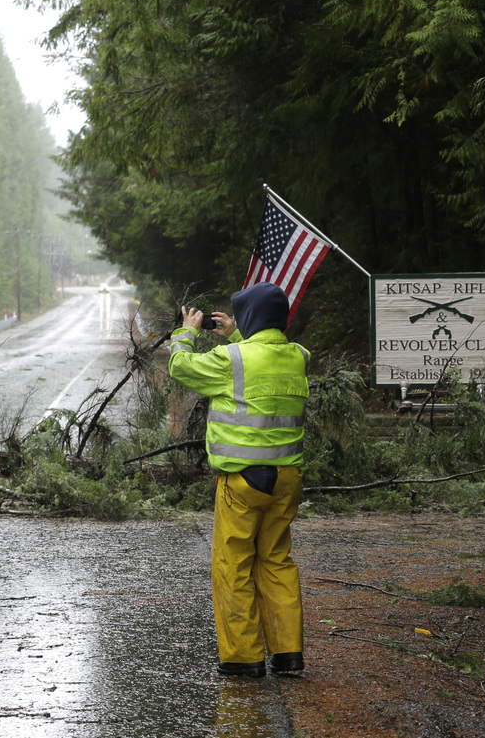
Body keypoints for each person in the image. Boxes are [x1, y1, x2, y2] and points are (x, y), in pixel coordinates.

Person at [168, 282, 308, 678]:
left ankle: (244, 658)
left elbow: (181, 367)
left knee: (233, 566)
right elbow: (261, 358)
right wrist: (237, 334)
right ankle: (288, 654)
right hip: (287, 480)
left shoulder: (231, 360)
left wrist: (187, 332)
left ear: (249, 318)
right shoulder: (298, 356)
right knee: (276, 561)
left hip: (243, 482)